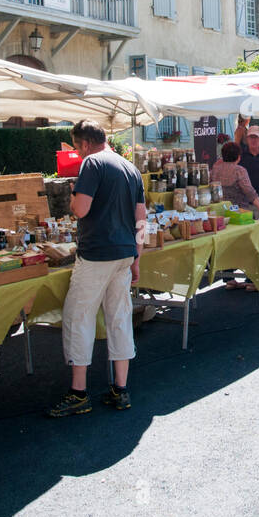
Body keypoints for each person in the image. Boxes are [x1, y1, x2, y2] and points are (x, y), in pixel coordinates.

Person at [48, 120, 146, 418]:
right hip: (124, 253)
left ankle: (79, 392)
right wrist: (137, 258)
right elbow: (141, 218)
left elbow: (81, 209)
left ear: (84, 144)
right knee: (119, 317)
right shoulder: (130, 168)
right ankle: (121, 388)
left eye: (76, 148)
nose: (77, 153)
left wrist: (76, 192)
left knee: (79, 316)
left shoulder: (91, 163)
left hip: (97, 254)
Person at [213, 141, 259, 219]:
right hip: (239, 213)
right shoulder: (239, 171)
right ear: (238, 157)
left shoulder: (215, 169)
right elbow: (250, 193)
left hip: (220, 212)